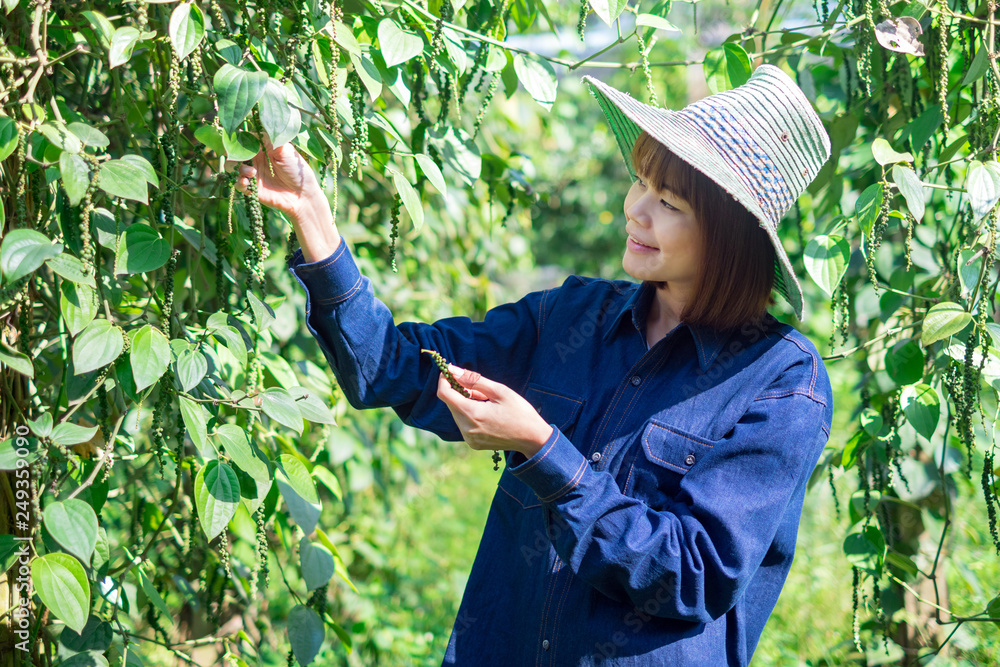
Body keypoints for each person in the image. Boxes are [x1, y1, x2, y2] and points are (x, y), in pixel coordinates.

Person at [236, 63, 834, 666]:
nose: (636, 211)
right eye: (639, 183)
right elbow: (393, 366)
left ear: (731, 238)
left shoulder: (779, 383)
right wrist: (309, 212)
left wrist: (546, 452)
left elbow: (692, 575)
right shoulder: (573, 318)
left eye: (669, 202)